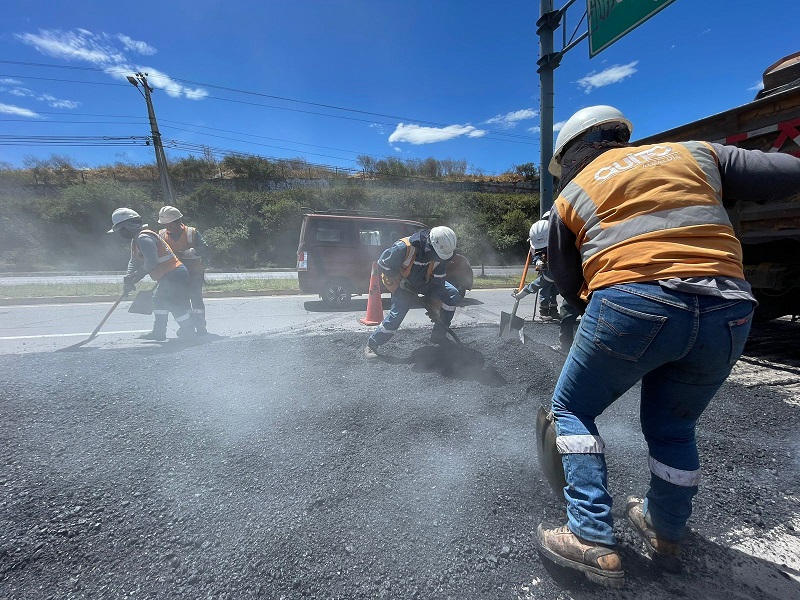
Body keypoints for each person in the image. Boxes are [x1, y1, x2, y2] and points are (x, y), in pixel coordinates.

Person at [533, 105, 800, 586]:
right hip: (730, 308)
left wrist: (610, 317)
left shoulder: (572, 194)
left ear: (573, 152)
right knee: (673, 426)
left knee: (571, 408)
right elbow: (785, 172)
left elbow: (566, 280)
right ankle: (664, 529)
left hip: (634, 301)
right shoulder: (694, 154)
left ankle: (592, 536)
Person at [365, 226, 460, 358]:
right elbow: (383, 264)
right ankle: (373, 343)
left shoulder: (441, 254)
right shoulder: (403, 248)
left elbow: (439, 280)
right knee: (398, 313)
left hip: (424, 281)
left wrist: (435, 304)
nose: (439, 258)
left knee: (452, 293)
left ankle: (439, 335)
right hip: (402, 284)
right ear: (430, 246)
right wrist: (400, 279)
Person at [108, 207, 195, 341]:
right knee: (161, 301)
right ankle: (162, 332)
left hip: (174, 273)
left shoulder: (144, 238)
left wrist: (136, 277)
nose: (121, 233)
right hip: (169, 274)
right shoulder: (137, 239)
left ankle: (186, 331)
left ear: (128, 226)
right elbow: (134, 261)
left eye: (121, 229)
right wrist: (128, 278)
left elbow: (151, 262)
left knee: (166, 301)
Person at [157, 206, 210, 335]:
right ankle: (188, 327)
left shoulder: (192, 232)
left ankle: (201, 327)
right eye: (165, 224)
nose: (168, 227)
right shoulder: (161, 235)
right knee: (183, 300)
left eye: (170, 224)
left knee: (196, 299)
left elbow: (206, 248)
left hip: (194, 272)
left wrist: (194, 251)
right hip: (175, 274)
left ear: (178, 221)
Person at [511, 213, 559, 320]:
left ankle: (553, 310)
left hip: (555, 274)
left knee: (552, 288)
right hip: (549, 272)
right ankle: (544, 311)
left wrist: (524, 291)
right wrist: (538, 261)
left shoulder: (561, 250)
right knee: (546, 289)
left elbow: (544, 280)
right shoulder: (539, 232)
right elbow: (536, 253)